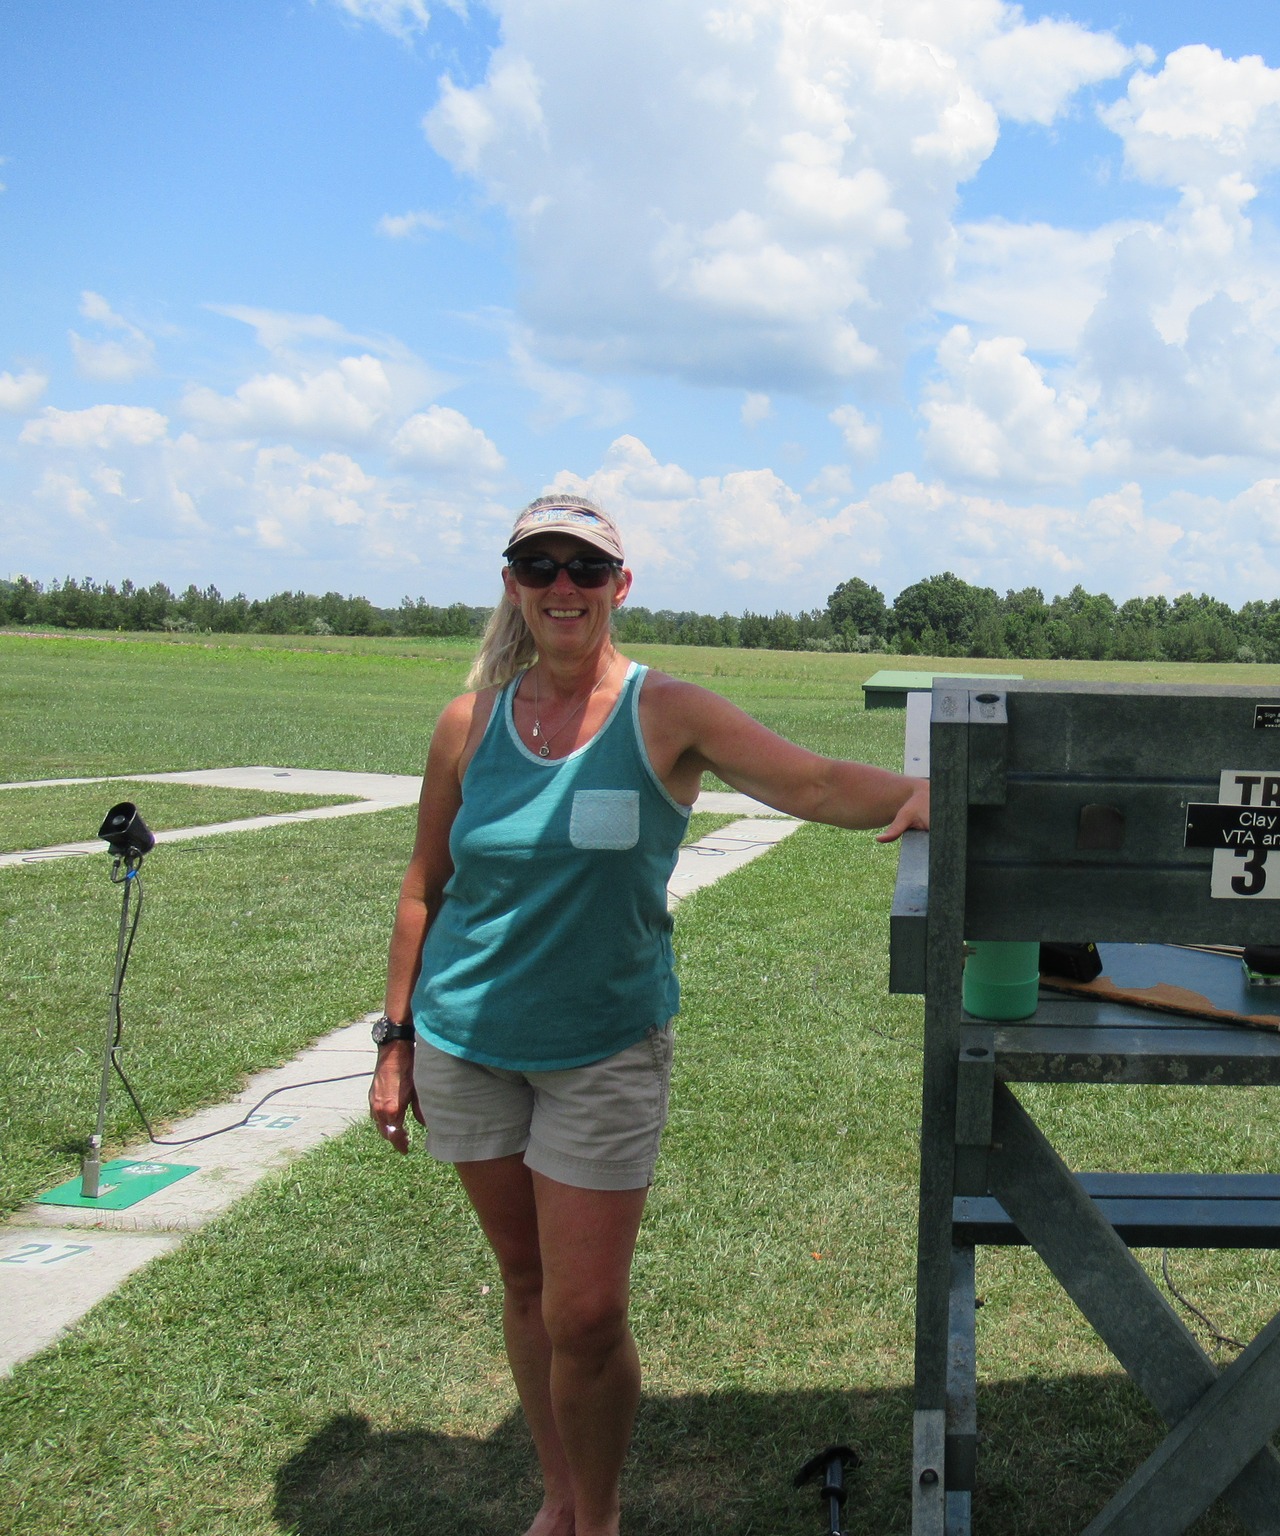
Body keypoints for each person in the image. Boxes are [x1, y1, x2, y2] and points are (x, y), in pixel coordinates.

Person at [370, 493, 927, 1536]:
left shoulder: (663, 712)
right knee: (527, 1286)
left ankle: (603, 1513)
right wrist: (395, 1042)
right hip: (464, 1044)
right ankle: (561, 1498)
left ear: (619, 586)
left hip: (603, 1052)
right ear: (512, 585)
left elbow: (808, 781)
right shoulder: (469, 721)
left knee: (587, 1312)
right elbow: (421, 887)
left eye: (585, 568)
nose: (562, 588)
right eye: (539, 567)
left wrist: (933, 789)